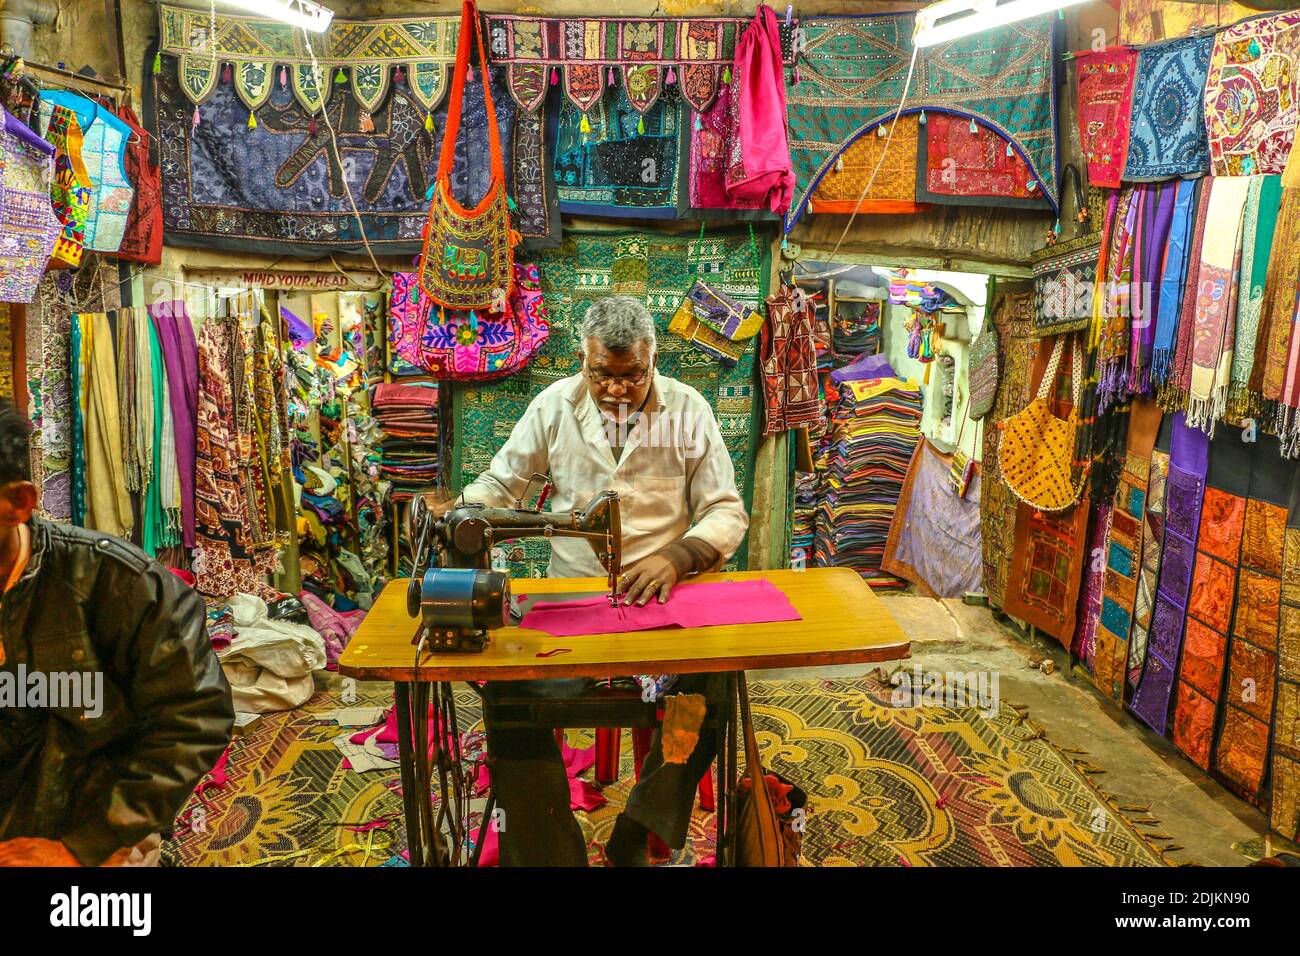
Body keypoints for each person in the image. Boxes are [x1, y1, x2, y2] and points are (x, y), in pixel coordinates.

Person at [420, 296, 749, 865]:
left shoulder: (689, 410)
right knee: (508, 698)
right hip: (573, 600)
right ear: (583, 360)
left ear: (653, 360)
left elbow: (726, 510)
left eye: (632, 376)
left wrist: (677, 555)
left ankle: (637, 830)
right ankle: (553, 852)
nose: (618, 390)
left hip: (661, 602)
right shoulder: (554, 406)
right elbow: (503, 487)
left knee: (709, 691)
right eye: (603, 375)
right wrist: (457, 511)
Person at [0, 401, 234, 866]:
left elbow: (196, 716)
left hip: (95, 815)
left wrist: (84, 845)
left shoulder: (116, 581)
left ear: (18, 503)